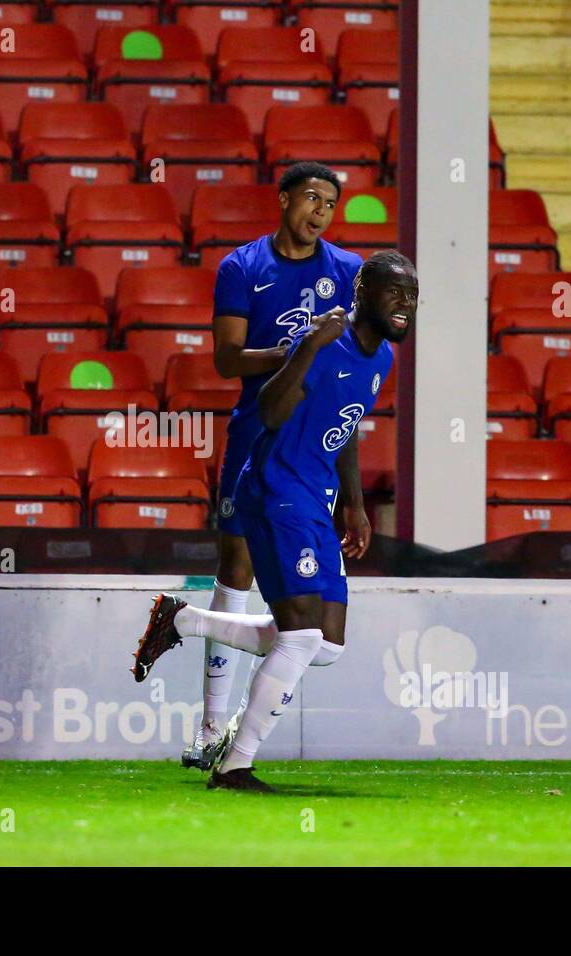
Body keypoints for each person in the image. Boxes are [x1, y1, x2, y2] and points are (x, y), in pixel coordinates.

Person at [132, 250, 418, 791]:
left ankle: (184, 621)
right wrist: (306, 349)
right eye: (395, 292)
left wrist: (353, 502)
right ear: (361, 293)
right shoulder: (323, 340)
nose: (406, 304)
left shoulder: (381, 360)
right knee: (303, 636)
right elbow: (267, 409)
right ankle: (235, 765)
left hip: (318, 498)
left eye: (413, 296)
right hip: (277, 491)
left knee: (326, 645)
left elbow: (345, 424)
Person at [177, 161, 370, 771]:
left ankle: (229, 715)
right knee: (235, 566)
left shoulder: (348, 272)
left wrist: (355, 496)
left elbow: (350, 394)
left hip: (312, 449)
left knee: (309, 623)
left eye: (331, 204)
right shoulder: (243, 267)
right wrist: (295, 353)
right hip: (255, 431)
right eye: (311, 198)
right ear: (284, 198)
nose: (320, 212)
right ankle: (211, 730)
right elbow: (228, 361)